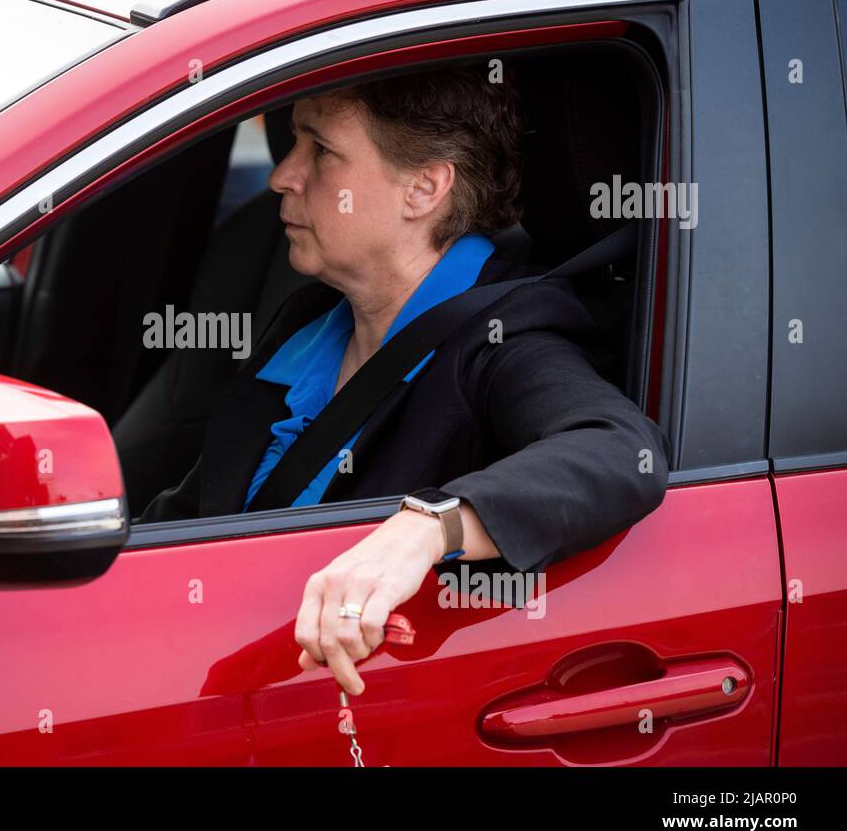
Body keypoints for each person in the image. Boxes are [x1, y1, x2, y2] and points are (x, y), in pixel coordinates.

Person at [138, 66, 670, 696]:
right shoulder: (309, 322)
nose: (284, 174)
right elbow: (195, 518)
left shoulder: (507, 338)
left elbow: (618, 449)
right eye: (292, 144)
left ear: (424, 188)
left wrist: (426, 528)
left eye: (321, 149)